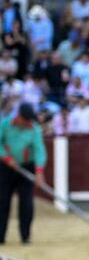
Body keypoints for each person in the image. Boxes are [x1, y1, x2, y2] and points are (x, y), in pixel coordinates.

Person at [0, 103, 47, 245]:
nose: (28, 123)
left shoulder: (35, 129)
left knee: (26, 202)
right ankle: (0, 236)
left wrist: (39, 172)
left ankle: (25, 236)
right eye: (26, 120)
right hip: (5, 167)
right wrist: (7, 158)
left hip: (26, 167)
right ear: (19, 117)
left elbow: (39, 150)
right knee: (2, 201)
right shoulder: (5, 124)